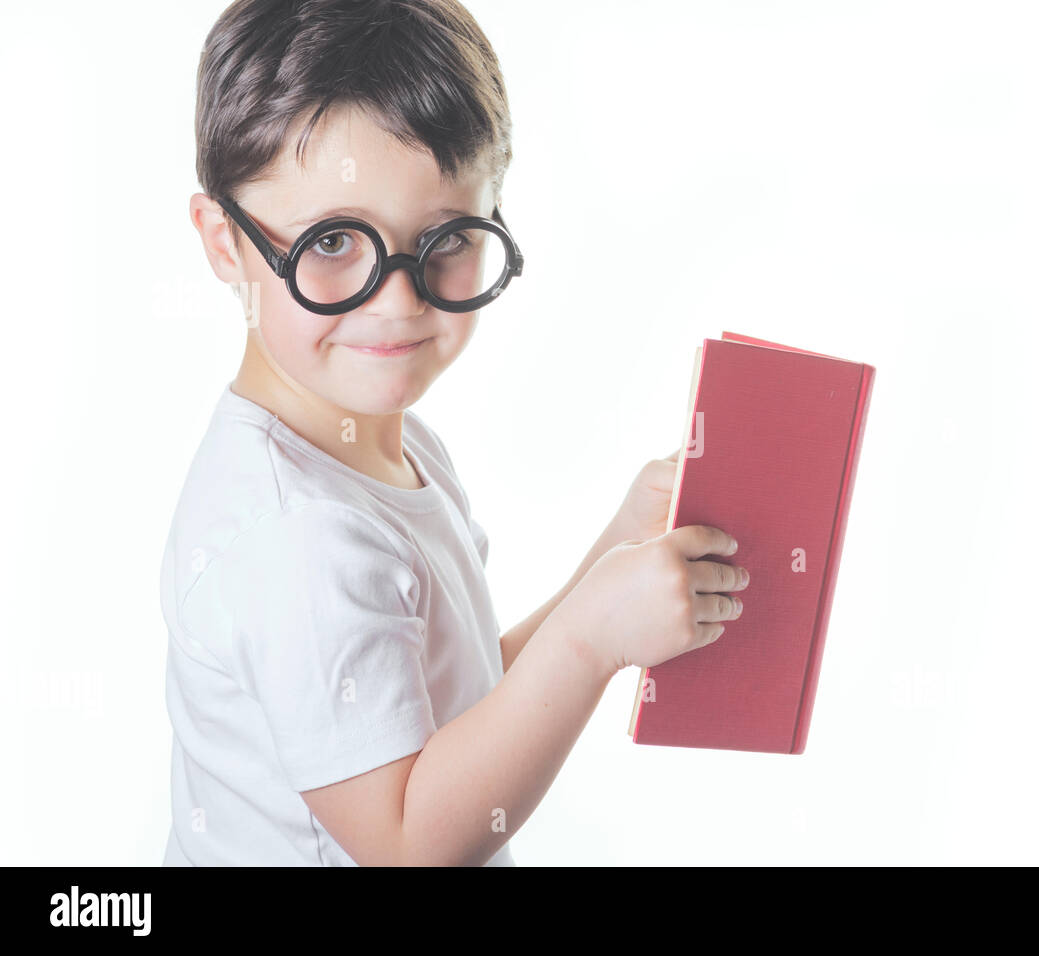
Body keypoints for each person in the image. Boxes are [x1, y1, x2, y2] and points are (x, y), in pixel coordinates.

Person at [160, 0, 747, 866]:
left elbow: (455, 703)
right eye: (330, 242)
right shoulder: (294, 537)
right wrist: (589, 640)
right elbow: (408, 847)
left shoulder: (388, 442)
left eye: (446, 240)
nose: (397, 300)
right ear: (224, 243)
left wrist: (612, 554)